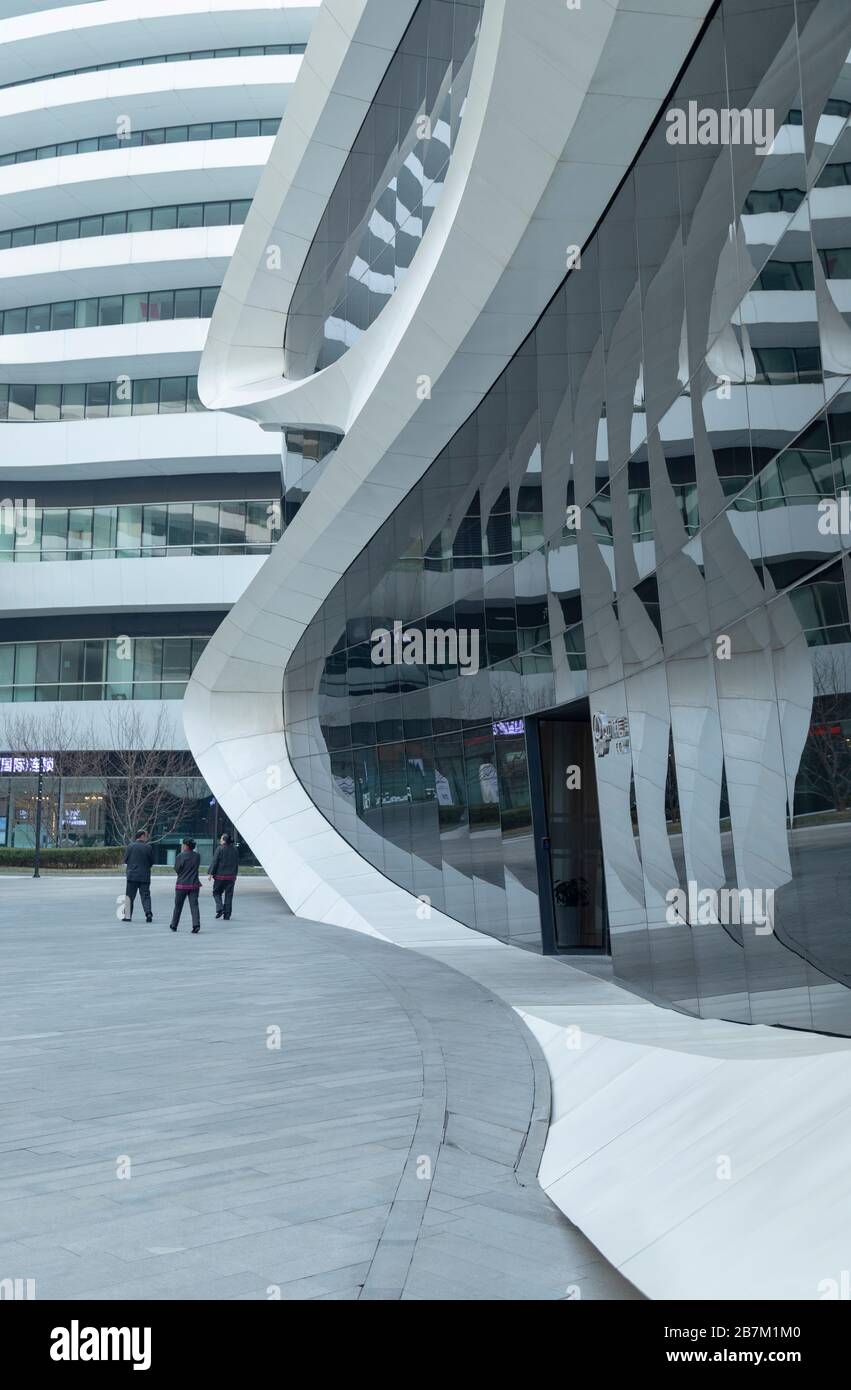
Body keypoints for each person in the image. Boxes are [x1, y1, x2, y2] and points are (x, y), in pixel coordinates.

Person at [169, 838, 202, 933]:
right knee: (194, 905)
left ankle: (174, 925)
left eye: (183, 844)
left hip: (181, 885)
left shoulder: (180, 856)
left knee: (178, 906)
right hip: (194, 885)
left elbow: (177, 869)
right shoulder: (197, 856)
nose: (182, 846)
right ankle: (196, 924)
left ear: (186, 846)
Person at [122, 829, 154, 922]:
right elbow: (152, 861)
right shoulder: (148, 847)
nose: (147, 838)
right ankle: (148, 913)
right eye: (146, 836)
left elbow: (126, 860)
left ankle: (127, 916)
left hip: (132, 875)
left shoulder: (130, 846)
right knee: (146, 896)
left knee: (130, 896)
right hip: (145, 876)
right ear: (142, 836)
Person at [208, 833, 239, 920]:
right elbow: (236, 864)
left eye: (221, 839)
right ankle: (227, 915)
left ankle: (220, 908)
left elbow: (215, 862)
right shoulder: (235, 850)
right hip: (231, 877)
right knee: (229, 895)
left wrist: (211, 873)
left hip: (220, 877)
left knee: (216, 892)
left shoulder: (219, 849)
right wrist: (235, 874)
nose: (220, 840)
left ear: (224, 840)